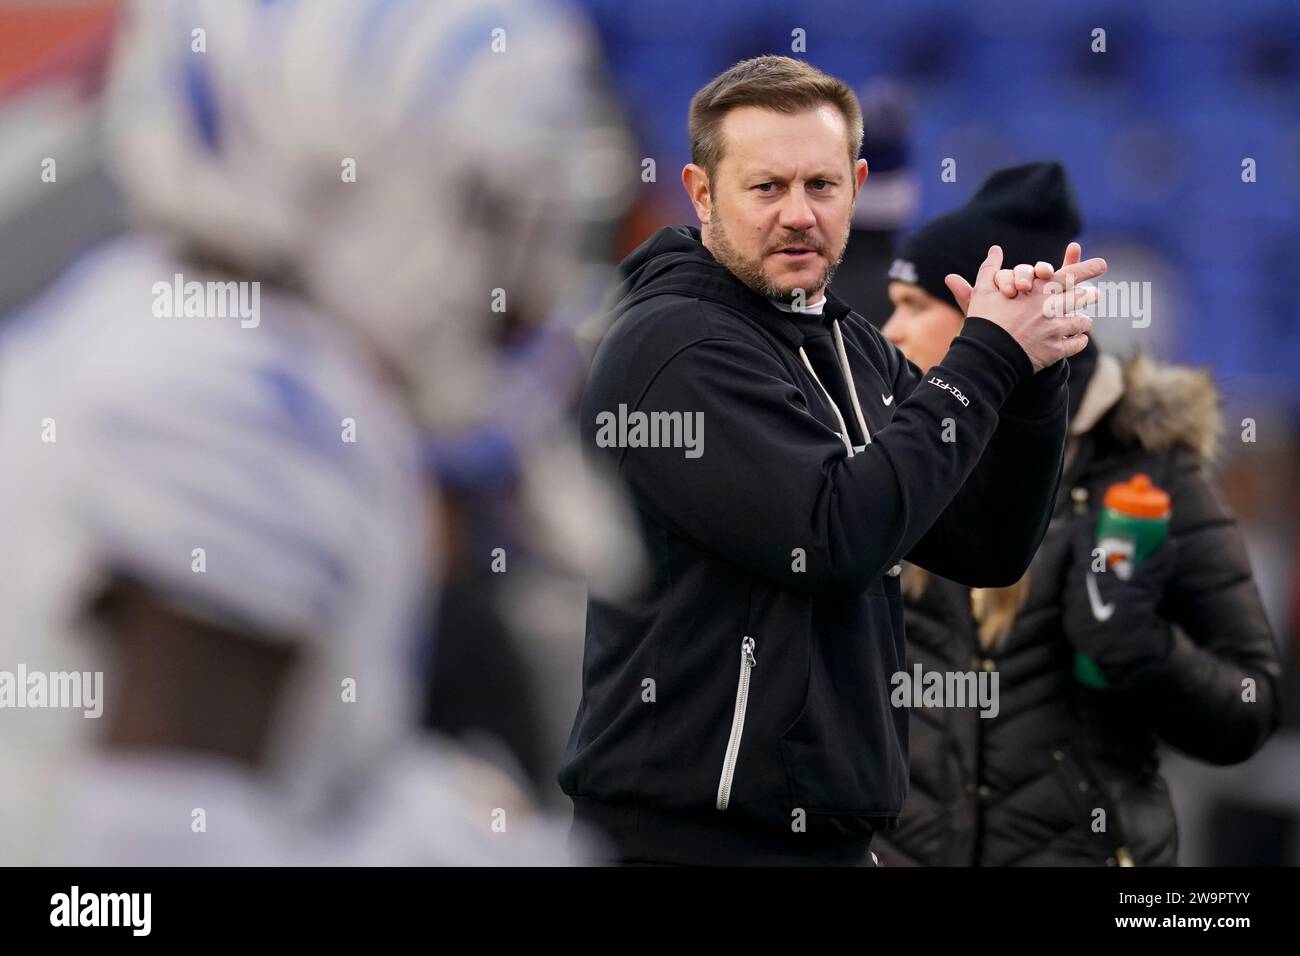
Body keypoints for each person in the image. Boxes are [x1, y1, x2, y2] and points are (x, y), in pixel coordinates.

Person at [0, 0, 625, 865]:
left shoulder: (162, 327)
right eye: (484, 208)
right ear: (349, 183)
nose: (519, 280)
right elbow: (132, 871)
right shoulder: (240, 406)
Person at [558, 55, 1106, 866]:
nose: (798, 215)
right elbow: (830, 536)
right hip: (685, 842)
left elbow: (987, 546)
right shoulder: (674, 344)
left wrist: (1033, 376)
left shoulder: (849, 343)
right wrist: (985, 355)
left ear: (856, 185)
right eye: (765, 187)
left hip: (830, 840)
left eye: (820, 186)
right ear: (702, 193)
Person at [873, 161, 1281, 866]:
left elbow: (1248, 710)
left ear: (987, 309)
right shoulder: (901, 457)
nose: (890, 330)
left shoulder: (1150, 470)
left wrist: (1140, 648)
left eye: (913, 305)